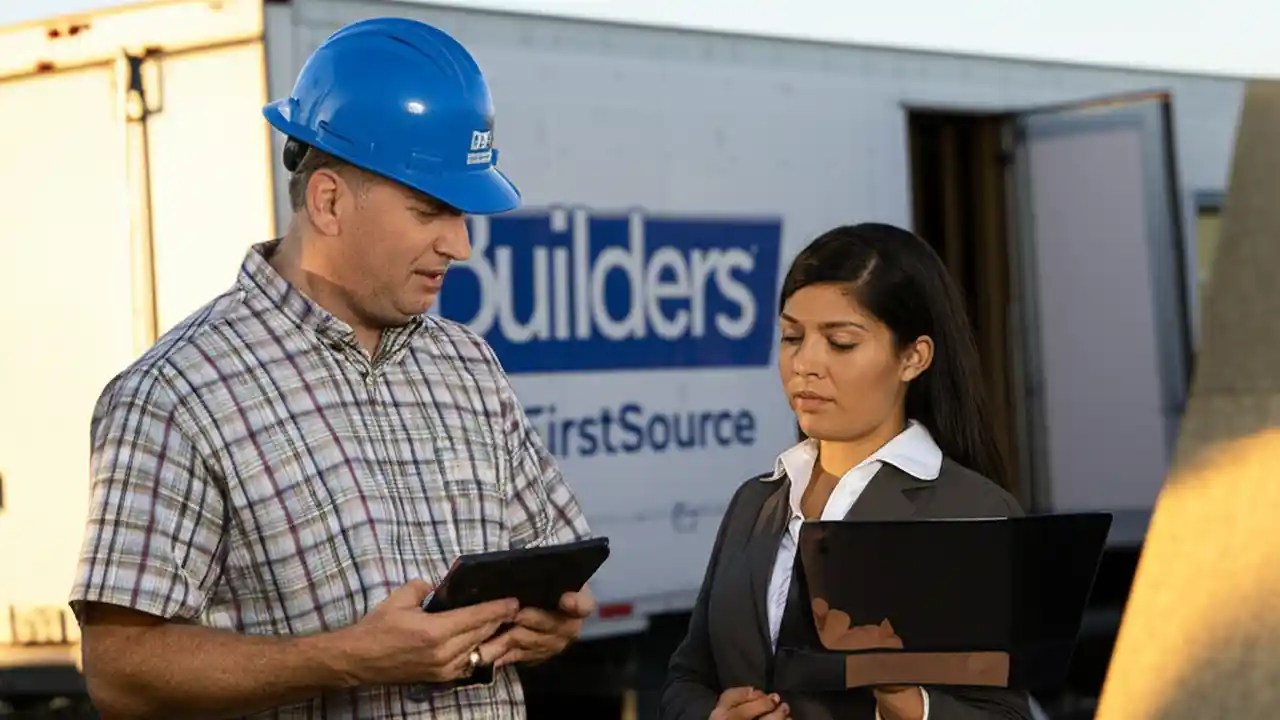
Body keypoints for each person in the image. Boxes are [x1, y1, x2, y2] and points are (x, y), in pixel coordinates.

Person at [68, 17, 592, 720]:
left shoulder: (467, 366)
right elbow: (119, 672)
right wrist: (347, 658)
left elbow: (557, 571)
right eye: (431, 211)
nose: (461, 245)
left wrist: (551, 625)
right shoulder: (175, 395)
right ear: (329, 201)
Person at [659, 223, 1033, 720]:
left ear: (913, 357)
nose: (805, 364)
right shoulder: (756, 502)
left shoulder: (971, 510)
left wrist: (904, 698)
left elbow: (1002, 715)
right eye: (792, 337)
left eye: (840, 343)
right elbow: (687, 676)